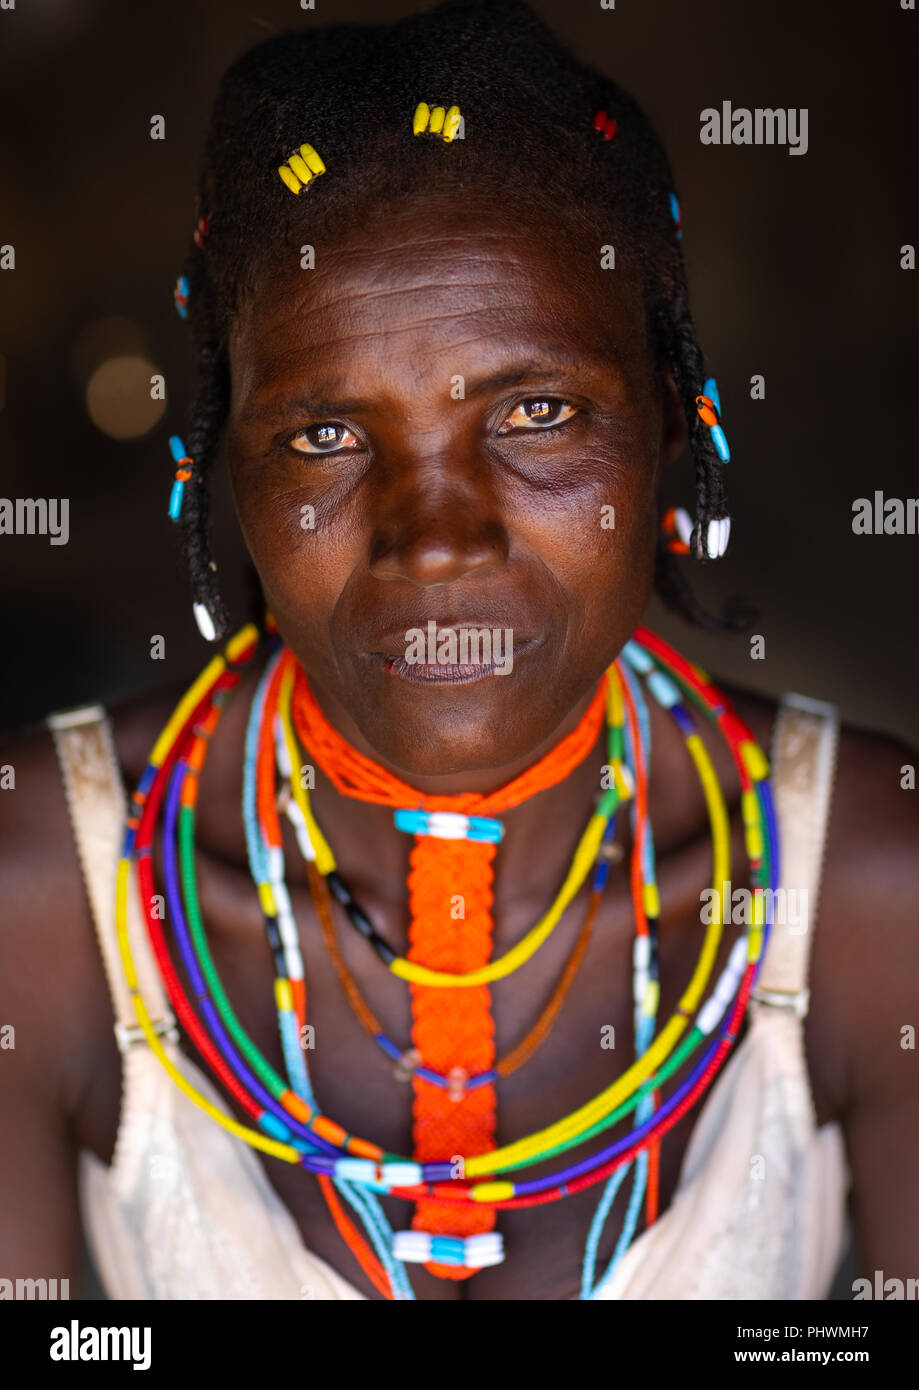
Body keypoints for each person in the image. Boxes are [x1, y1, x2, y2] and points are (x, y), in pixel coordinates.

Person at [2, 0, 917, 1302]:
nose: (434, 540)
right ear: (228, 474)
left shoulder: (861, 881)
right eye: (324, 434)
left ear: (669, 419)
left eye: (535, 411)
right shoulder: (50, 890)